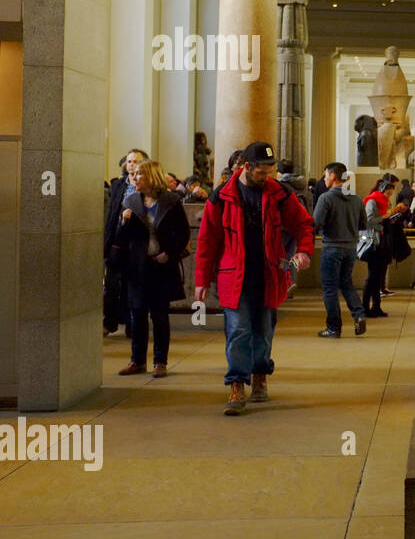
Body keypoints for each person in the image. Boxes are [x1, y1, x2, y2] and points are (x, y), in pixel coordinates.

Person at [194, 141, 314, 416]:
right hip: (234, 277)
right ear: (246, 167)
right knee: (237, 331)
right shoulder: (220, 197)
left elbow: (303, 223)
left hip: (269, 276)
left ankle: (260, 375)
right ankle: (236, 383)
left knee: (263, 332)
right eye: (262, 172)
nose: (266, 178)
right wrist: (201, 280)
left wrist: (305, 250)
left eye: (270, 172)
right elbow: (207, 241)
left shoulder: (280, 193)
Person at [112, 159, 189, 378]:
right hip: (137, 267)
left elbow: (182, 234)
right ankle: (137, 360)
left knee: (160, 316)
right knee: (137, 316)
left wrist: (170, 253)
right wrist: (123, 221)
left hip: (161, 266)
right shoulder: (130, 201)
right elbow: (120, 238)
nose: (134, 178)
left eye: (139, 174)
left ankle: (160, 362)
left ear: (151, 176)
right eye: (133, 174)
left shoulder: (170, 201)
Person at [313, 162, 367, 338]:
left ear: (334, 176)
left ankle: (333, 327)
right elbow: (363, 224)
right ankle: (359, 315)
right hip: (350, 248)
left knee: (329, 288)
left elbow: (316, 224)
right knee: (346, 283)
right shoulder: (356, 199)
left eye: (326, 175)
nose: (324, 178)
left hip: (332, 247)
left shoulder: (325, 198)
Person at [104, 149, 149, 336]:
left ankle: (133, 325)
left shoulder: (148, 187)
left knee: (134, 287)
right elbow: (111, 214)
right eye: (129, 161)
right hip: (117, 243)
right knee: (112, 285)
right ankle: (110, 322)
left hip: (136, 245)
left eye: (135, 161)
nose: (131, 164)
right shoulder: (118, 185)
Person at [361, 179, 407, 317]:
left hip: (382, 243)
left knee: (377, 276)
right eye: (387, 193)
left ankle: (376, 306)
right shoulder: (372, 201)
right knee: (372, 277)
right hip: (374, 242)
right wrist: (386, 217)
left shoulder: (383, 202)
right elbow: (368, 222)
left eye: (390, 194)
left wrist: (392, 217)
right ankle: (364, 307)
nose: (388, 196)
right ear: (381, 190)